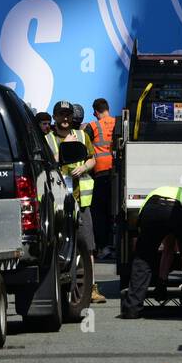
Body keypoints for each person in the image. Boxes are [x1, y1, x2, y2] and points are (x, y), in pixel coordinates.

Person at [120, 182, 182, 319]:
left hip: (152, 207)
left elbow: (168, 246)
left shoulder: (172, 191)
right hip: (181, 211)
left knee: (143, 258)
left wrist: (162, 282)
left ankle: (132, 308)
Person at [46, 100, 102, 303]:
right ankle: (60, 288)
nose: (65, 118)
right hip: (58, 202)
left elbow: (92, 158)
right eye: (61, 114)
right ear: (55, 117)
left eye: (68, 114)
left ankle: (92, 287)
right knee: (58, 244)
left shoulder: (82, 135)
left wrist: (84, 168)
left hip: (81, 200)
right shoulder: (48, 140)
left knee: (87, 244)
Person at [84, 98, 118, 262]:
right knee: (116, 210)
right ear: (107, 108)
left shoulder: (93, 126)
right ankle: (116, 244)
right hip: (118, 173)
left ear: (96, 112)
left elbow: (84, 145)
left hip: (101, 173)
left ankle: (104, 246)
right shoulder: (117, 122)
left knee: (99, 212)